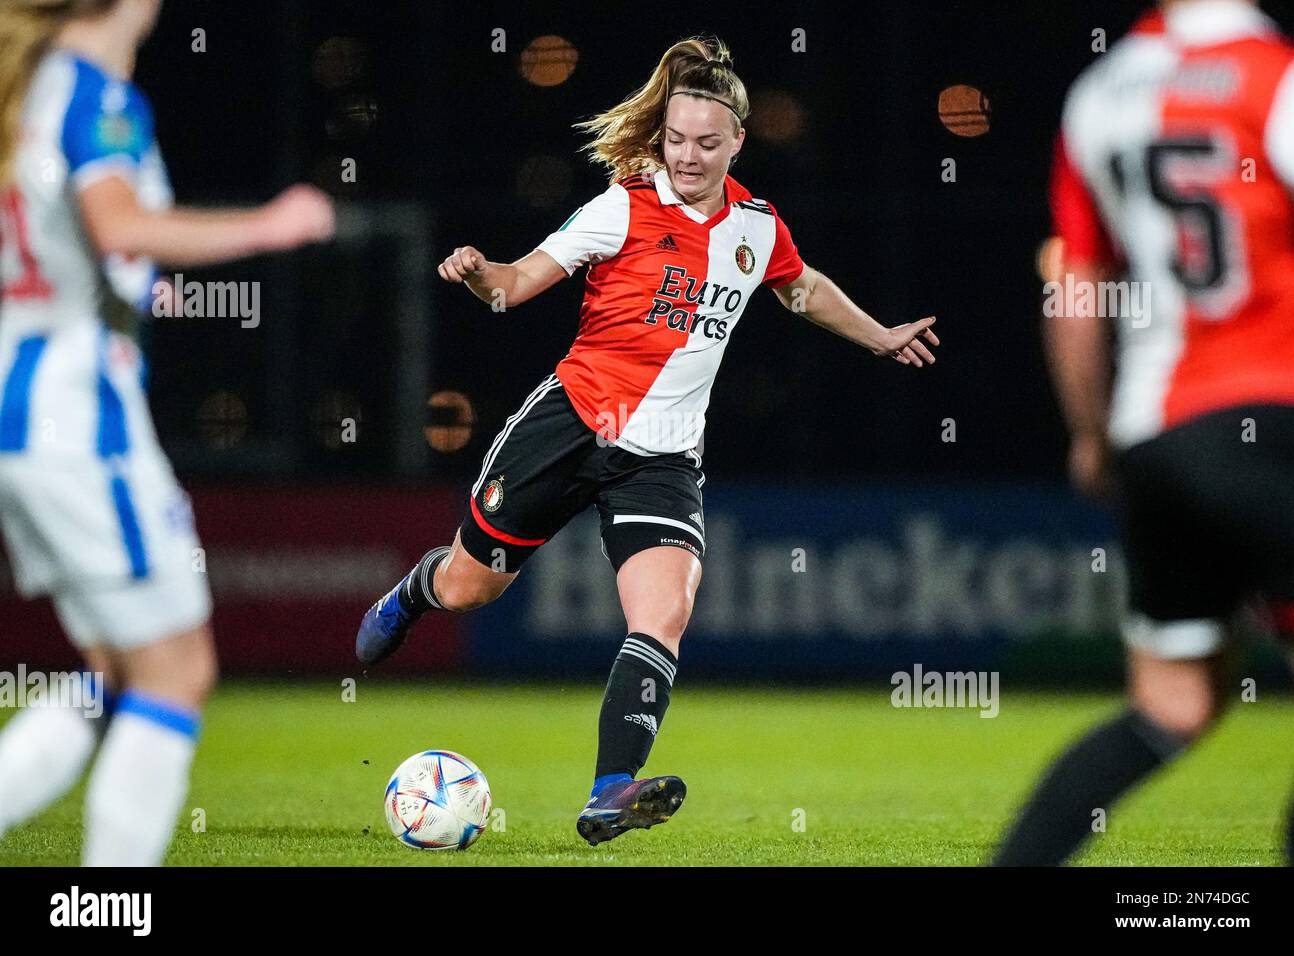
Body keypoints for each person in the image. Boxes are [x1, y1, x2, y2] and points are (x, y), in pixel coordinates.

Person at [356, 36, 940, 846]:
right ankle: (417, 589)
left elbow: (800, 288)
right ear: (660, 137)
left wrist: (878, 335)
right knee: (470, 589)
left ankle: (609, 792)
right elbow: (520, 281)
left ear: (738, 140)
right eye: (675, 140)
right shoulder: (621, 206)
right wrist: (480, 270)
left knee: (664, 613)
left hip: (663, 459)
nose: (689, 156)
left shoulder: (759, 228)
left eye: (707, 142)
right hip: (570, 425)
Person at [0, 0, 334, 865]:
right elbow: (120, 224)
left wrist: (122, 286)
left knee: (116, 673)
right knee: (176, 672)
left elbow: (66, 245)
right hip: (77, 417)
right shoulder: (94, 96)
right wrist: (269, 224)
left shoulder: (20, 87)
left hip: (23, 408)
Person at [995, 0, 1294, 865]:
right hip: (1279, 417)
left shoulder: (1102, 90)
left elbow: (1076, 286)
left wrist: (1091, 436)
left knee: (1170, 706)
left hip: (1160, 431)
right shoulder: (1277, 78)